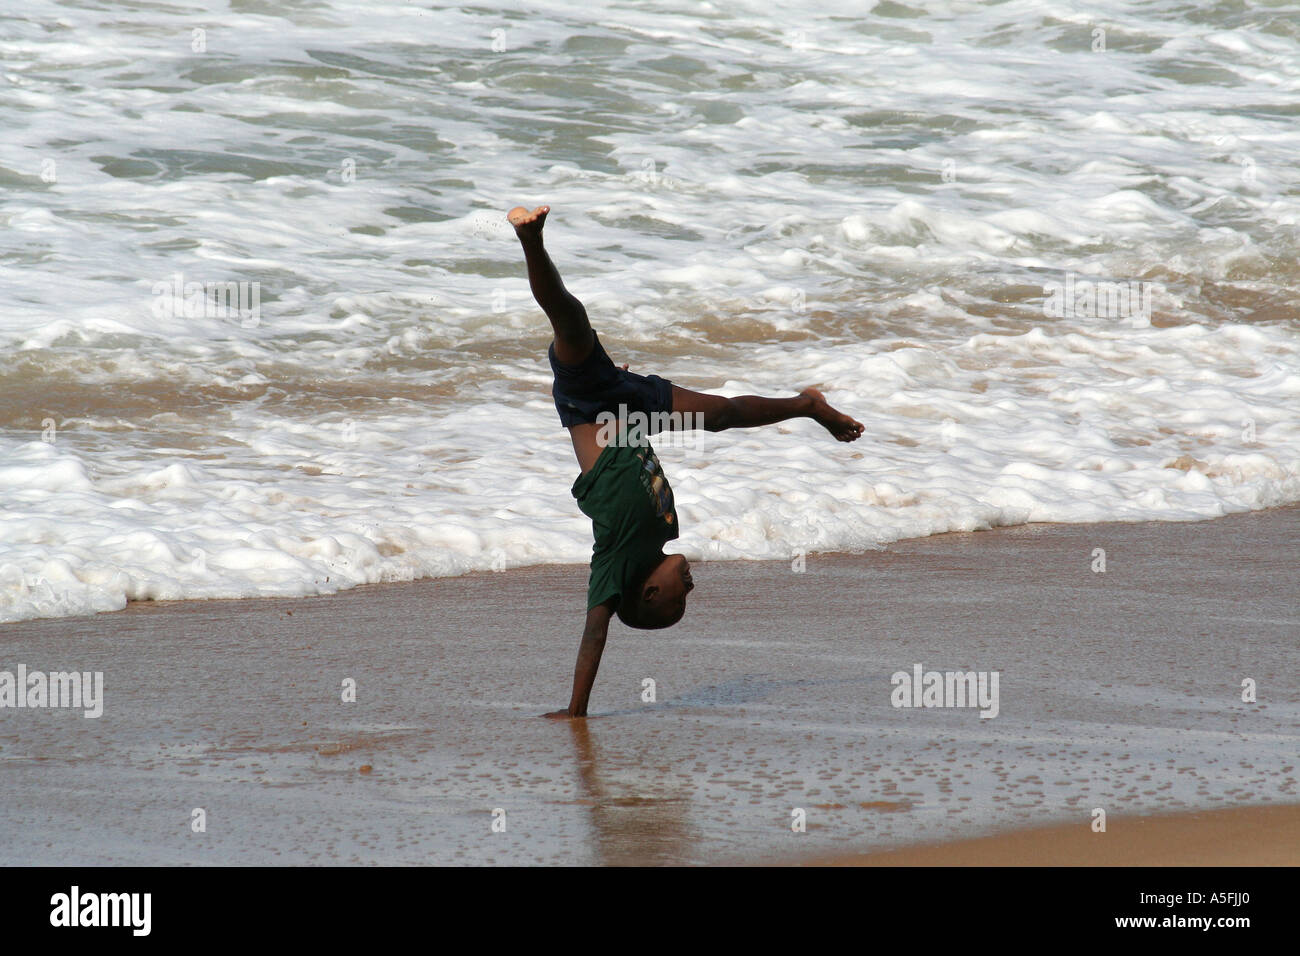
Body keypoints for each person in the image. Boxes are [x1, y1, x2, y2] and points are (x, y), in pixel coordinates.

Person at [507, 204, 863, 718]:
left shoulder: (616, 560)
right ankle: (808, 404)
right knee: (721, 414)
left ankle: (531, 239)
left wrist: (577, 709)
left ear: (649, 593)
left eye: (678, 601)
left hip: (589, 402)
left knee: (570, 318)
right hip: (625, 412)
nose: (689, 592)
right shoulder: (661, 531)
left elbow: (594, 632)